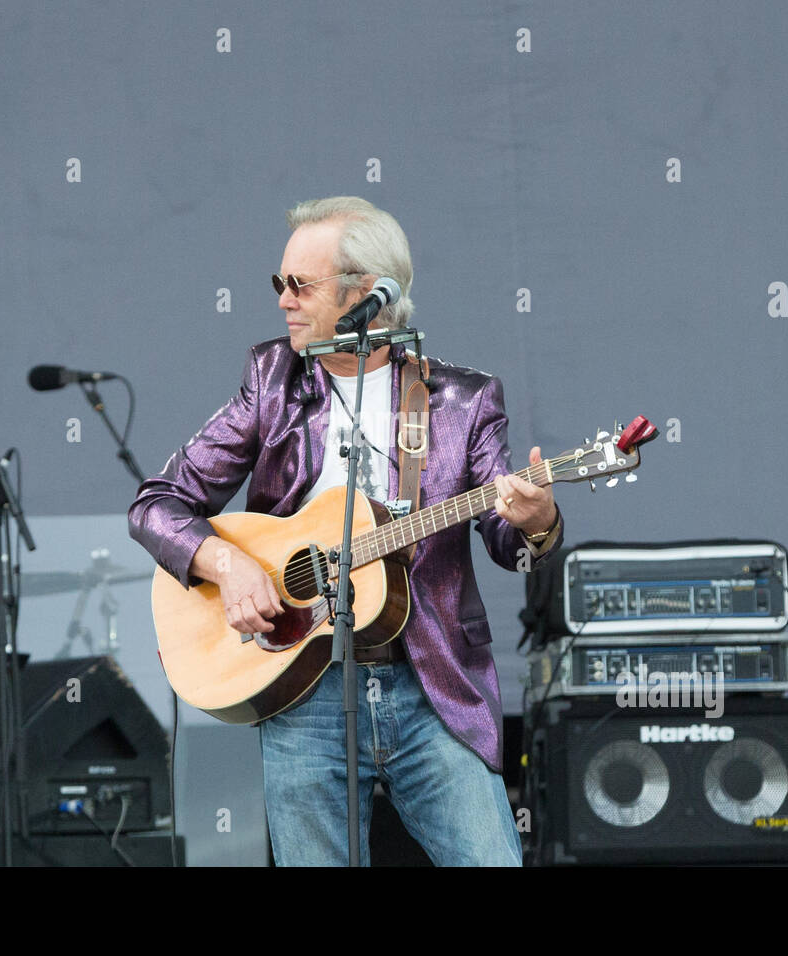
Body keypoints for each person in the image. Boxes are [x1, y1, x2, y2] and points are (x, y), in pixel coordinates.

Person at [129, 196, 563, 865]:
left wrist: (538, 524)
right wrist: (229, 566)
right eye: (280, 284)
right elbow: (156, 504)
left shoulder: (461, 401)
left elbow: (507, 543)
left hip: (431, 686)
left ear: (370, 294)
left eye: (300, 285)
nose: (282, 301)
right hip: (304, 687)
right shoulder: (274, 381)